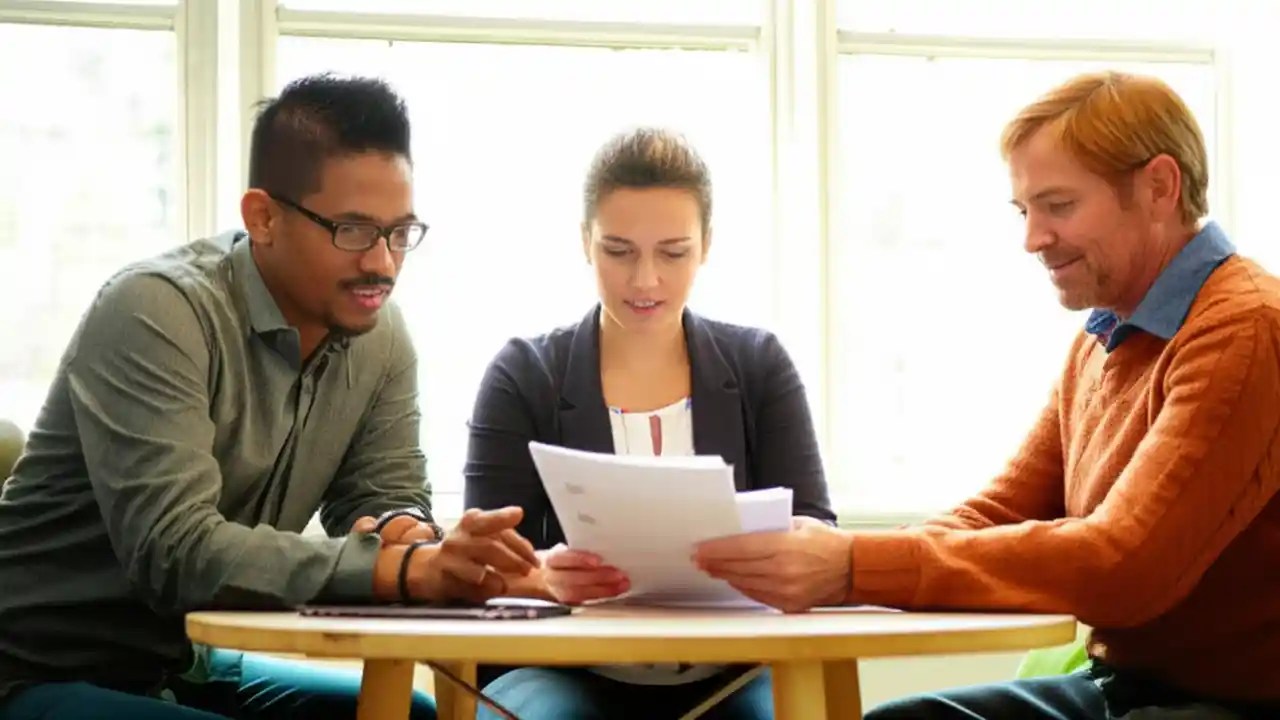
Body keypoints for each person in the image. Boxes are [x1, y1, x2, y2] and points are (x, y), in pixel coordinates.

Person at [693, 71, 1280, 719]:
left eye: (1058, 206)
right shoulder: (1105, 337)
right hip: (1132, 689)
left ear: (1159, 188)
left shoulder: (1243, 329)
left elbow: (1123, 565)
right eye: (1025, 211)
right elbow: (998, 511)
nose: (1032, 238)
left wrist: (855, 564)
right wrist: (832, 563)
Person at [0, 73, 537, 720]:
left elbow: (378, 494)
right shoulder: (154, 311)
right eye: (353, 230)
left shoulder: (379, 335)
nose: (384, 264)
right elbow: (175, 554)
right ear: (263, 217)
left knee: (414, 715)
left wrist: (420, 541)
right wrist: (404, 572)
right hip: (35, 667)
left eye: (400, 232)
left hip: (181, 661)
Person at [463, 127, 837, 719]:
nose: (645, 280)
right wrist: (543, 577)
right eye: (618, 251)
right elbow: (482, 562)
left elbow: (816, 533)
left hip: (733, 673)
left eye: (673, 252)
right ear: (585, 241)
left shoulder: (760, 365)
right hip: (560, 669)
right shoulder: (524, 373)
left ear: (707, 245)